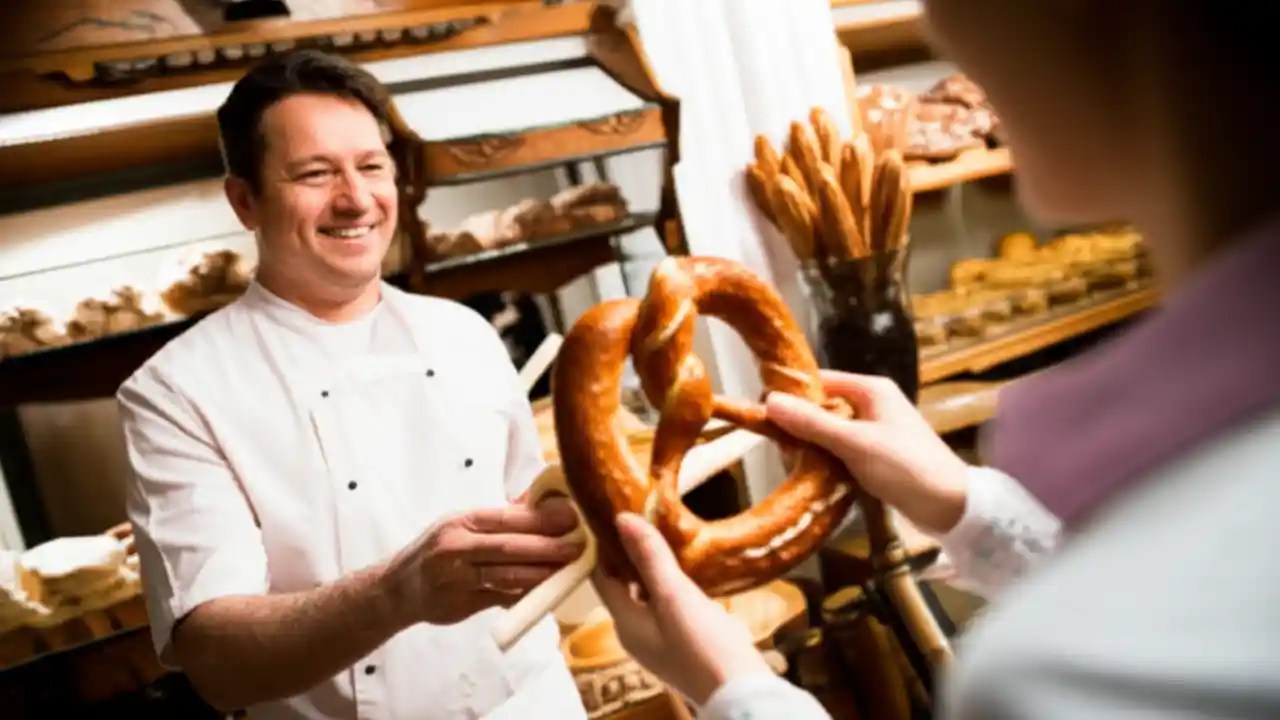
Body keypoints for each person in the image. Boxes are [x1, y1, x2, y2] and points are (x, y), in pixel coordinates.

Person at [591, 3, 1280, 719]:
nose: (941, 32)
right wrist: (965, 505)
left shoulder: (1068, 673)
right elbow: (1159, 599)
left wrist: (739, 690)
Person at [117, 50, 587, 719]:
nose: (357, 199)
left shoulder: (464, 334)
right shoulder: (175, 393)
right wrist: (399, 593)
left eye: (371, 167)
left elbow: (540, 527)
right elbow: (217, 662)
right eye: (315, 174)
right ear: (244, 200)